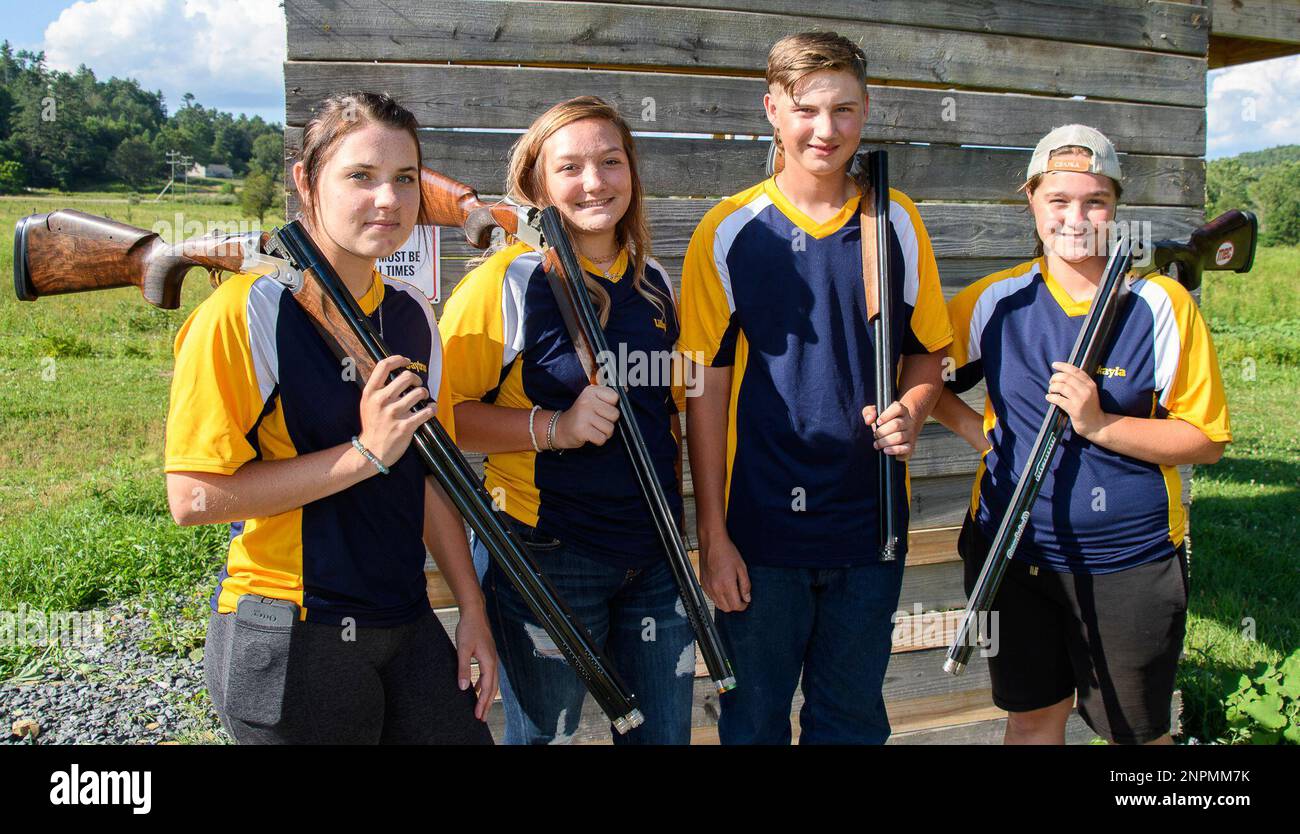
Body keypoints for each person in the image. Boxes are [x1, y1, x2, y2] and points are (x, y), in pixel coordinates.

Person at [164, 92, 496, 744]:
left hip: (404, 616)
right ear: (305, 182)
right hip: (291, 624)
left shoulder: (412, 313)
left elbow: (430, 480)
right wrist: (365, 452)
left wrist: (473, 609)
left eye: (405, 179)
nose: (388, 200)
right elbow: (194, 495)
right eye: (360, 176)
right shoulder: (244, 313)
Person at [678, 32, 953, 744]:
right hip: (761, 534)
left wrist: (915, 410)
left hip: (872, 527)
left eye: (844, 110)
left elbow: (927, 358)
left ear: (866, 112)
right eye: (805, 109)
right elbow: (702, 392)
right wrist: (713, 535)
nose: (825, 130)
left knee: (851, 723)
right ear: (771, 108)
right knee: (754, 721)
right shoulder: (728, 232)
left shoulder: (896, 219)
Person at [932, 124, 1231, 745]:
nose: (1076, 217)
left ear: (1115, 208)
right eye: (1058, 201)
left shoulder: (1162, 305)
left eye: (1094, 201)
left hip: (1130, 558)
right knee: (1034, 717)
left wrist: (1101, 424)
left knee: (1138, 733)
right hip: (1011, 552)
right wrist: (979, 434)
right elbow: (923, 379)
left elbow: (1205, 438)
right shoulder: (995, 301)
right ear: (1032, 204)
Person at [438, 96, 694, 744]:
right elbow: (439, 424)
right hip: (547, 558)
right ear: (537, 183)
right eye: (571, 166)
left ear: (631, 174)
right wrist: (557, 427)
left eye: (610, 162)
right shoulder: (503, 282)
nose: (594, 182)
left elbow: (673, 414)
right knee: (545, 739)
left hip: (656, 560)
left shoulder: (655, 281)